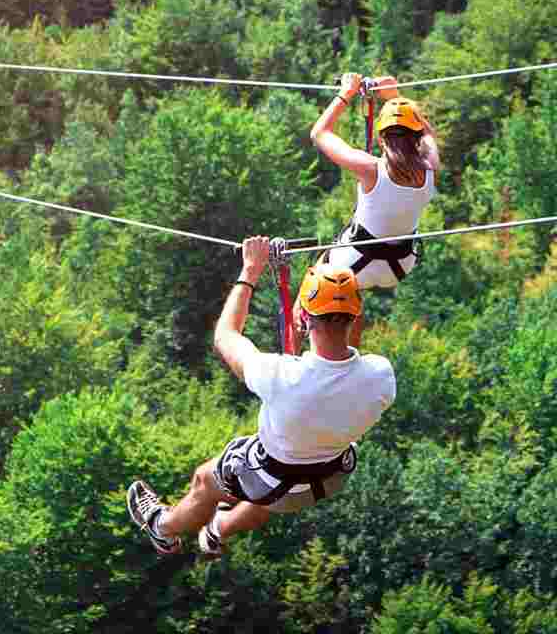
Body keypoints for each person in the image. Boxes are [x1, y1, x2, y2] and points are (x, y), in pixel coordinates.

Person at [126, 236, 396, 558]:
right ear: (355, 315)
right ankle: (219, 531)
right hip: (328, 476)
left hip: (273, 478)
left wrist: (250, 271)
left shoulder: (278, 375)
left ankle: (163, 527)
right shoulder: (381, 376)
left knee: (206, 479)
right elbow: (343, 359)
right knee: (281, 485)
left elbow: (225, 336)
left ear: (304, 319)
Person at [303, 72, 441, 346]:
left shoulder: (370, 169)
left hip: (354, 263)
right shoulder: (431, 167)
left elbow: (319, 133)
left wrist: (347, 92)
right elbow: (428, 133)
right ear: (416, 139)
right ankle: (349, 353)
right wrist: (395, 96)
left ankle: (302, 344)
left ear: (381, 139)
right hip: (400, 265)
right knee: (345, 287)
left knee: (315, 287)